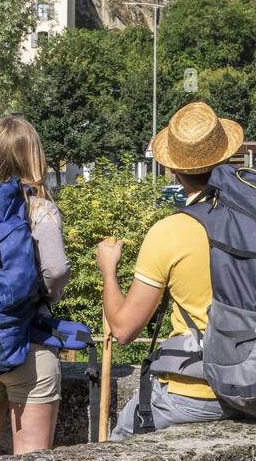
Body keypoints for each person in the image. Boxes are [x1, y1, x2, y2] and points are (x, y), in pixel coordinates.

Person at [94, 101, 243, 438]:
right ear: (227, 159)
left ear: (174, 170)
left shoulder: (171, 231)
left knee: (121, 443)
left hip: (197, 392)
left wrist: (108, 269)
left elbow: (123, 329)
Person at [0, 115, 70, 460]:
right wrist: (43, 296)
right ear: (34, 158)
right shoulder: (39, 210)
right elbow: (55, 270)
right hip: (26, 346)